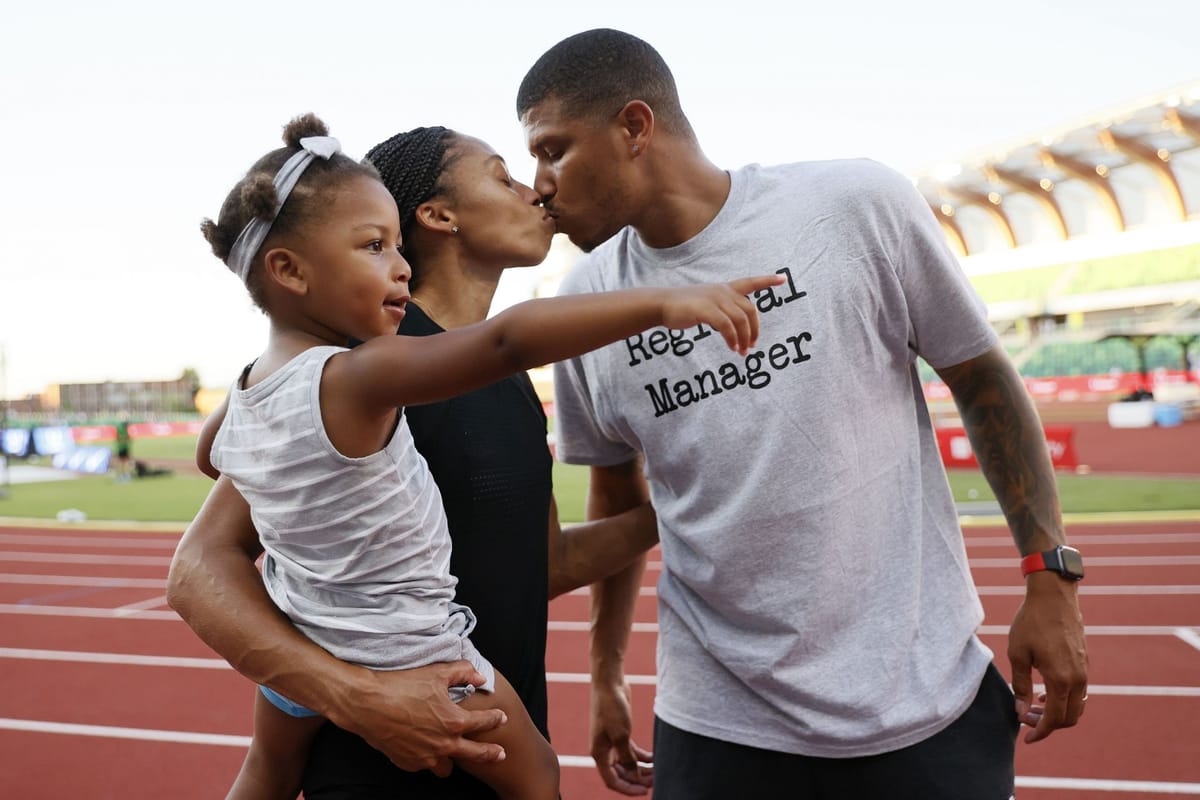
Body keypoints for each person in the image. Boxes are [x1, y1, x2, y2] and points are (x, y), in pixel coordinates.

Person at [515, 29, 1090, 799]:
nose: (539, 185)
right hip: (717, 726)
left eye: (552, 150)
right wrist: (606, 673)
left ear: (634, 127)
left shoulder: (855, 205)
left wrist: (1050, 578)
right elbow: (618, 496)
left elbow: (980, 376)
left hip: (922, 702)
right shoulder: (584, 306)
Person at [187, 111, 781, 800]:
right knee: (542, 779)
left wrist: (680, 508)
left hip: (465, 715)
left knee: (265, 771)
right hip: (400, 734)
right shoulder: (369, 367)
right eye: (503, 176)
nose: (537, 190)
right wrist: (665, 302)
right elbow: (198, 568)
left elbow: (544, 562)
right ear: (439, 216)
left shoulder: (486, 383)